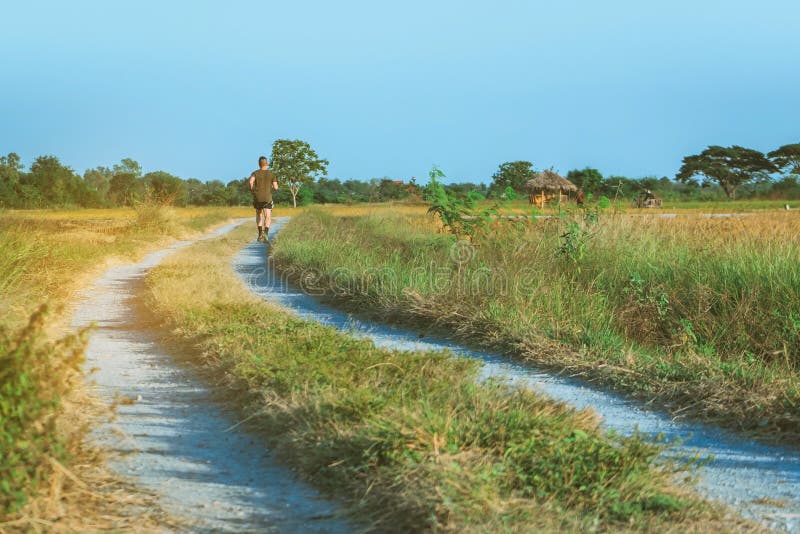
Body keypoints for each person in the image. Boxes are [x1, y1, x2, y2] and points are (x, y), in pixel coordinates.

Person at [248, 156, 278, 242]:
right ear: (267, 164)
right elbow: (276, 187)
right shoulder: (271, 174)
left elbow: (251, 182)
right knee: (267, 216)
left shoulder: (255, 173)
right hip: (267, 197)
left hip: (257, 197)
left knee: (258, 214)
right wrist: (272, 187)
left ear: (259, 164)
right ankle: (266, 234)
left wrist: (253, 190)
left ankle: (260, 233)